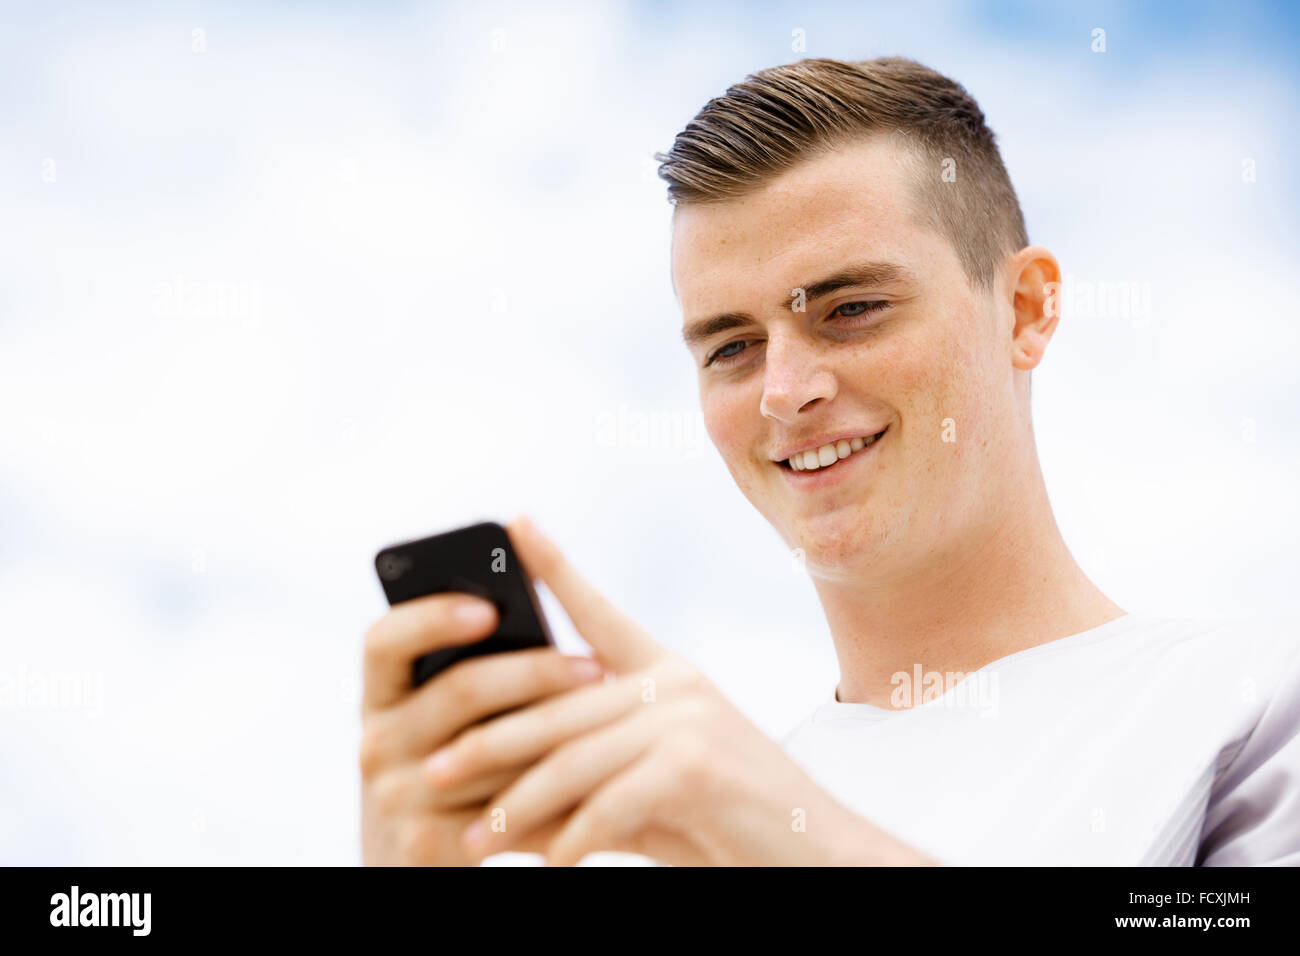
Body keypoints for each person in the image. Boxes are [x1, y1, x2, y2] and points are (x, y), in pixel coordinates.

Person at [359, 57, 1300, 866]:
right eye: (730, 346)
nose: (784, 389)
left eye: (849, 309)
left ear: (1024, 309)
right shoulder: (677, 820)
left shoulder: (1250, 708)